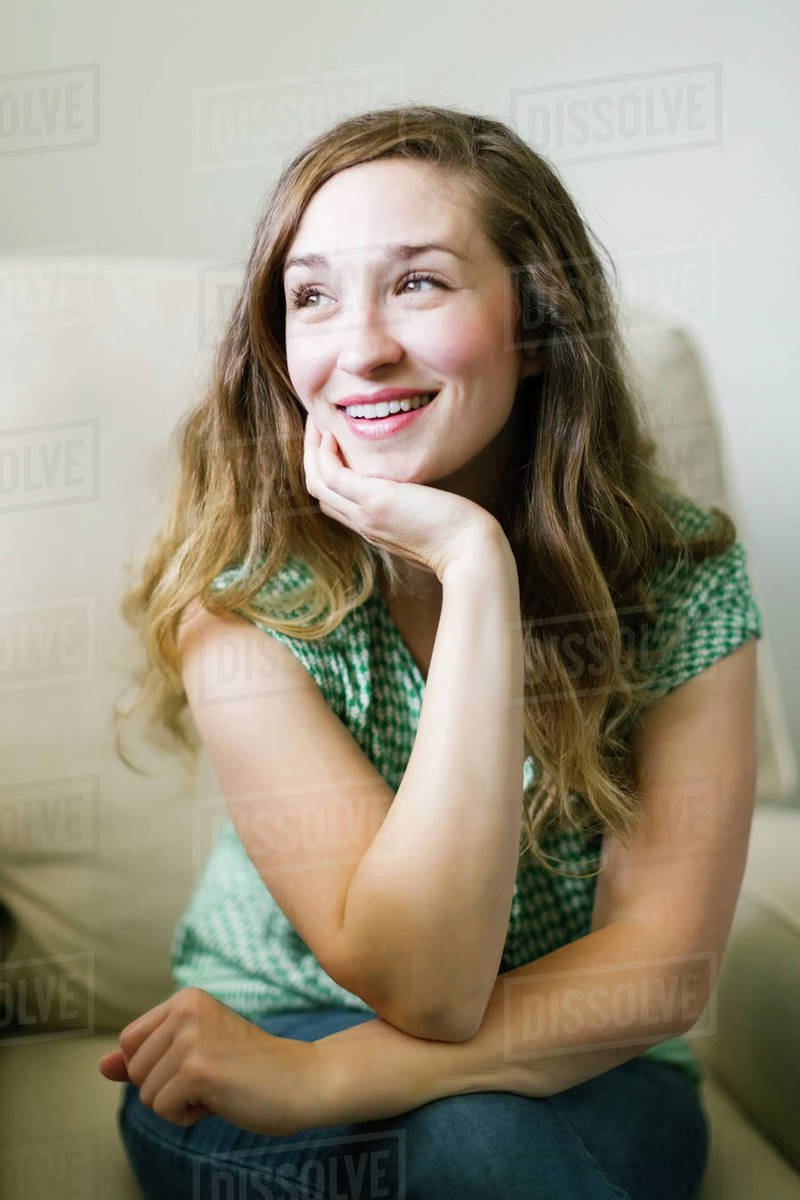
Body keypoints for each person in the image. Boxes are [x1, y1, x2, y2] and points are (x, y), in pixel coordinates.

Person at [100, 104, 762, 1199]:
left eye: (418, 282)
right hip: (265, 1040)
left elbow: (658, 969)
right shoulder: (242, 605)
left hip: (573, 1059)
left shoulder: (679, 573)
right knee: (480, 1151)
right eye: (311, 296)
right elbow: (428, 985)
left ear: (538, 326)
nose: (359, 346)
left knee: (489, 1146)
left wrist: (472, 562)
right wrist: (474, 574)